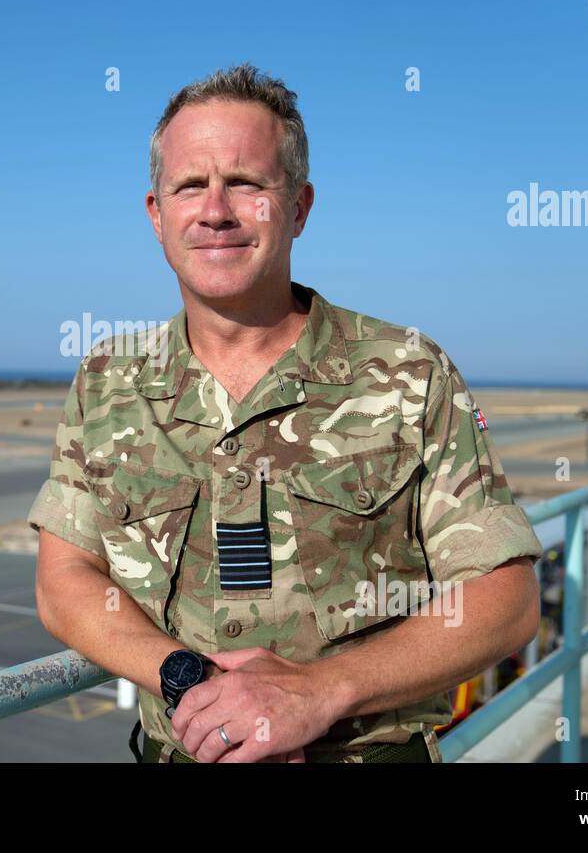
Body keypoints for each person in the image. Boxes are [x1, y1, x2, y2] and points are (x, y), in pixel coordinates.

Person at [29, 63, 543, 763]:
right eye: (190, 186)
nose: (216, 210)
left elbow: (506, 598)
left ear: (298, 206)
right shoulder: (107, 382)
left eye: (246, 183)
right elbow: (65, 582)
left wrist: (321, 690)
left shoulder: (408, 372)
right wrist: (189, 680)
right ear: (156, 214)